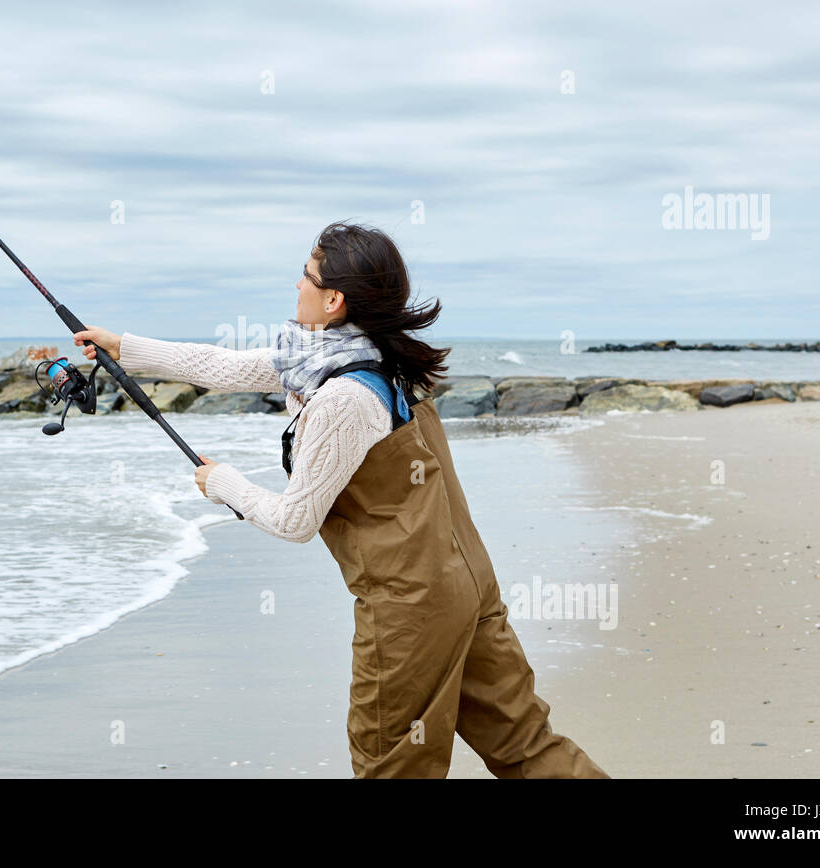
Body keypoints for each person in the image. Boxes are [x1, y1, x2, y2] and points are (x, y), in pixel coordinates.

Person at [73, 222, 608, 779]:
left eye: (306, 275)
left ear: (333, 300)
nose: (295, 284)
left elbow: (296, 520)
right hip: (468, 585)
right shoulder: (377, 357)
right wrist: (123, 347)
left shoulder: (341, 397)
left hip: (410, 609)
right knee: (527, 747)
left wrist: (224, 484)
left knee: (391, 766)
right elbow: (225, 368)